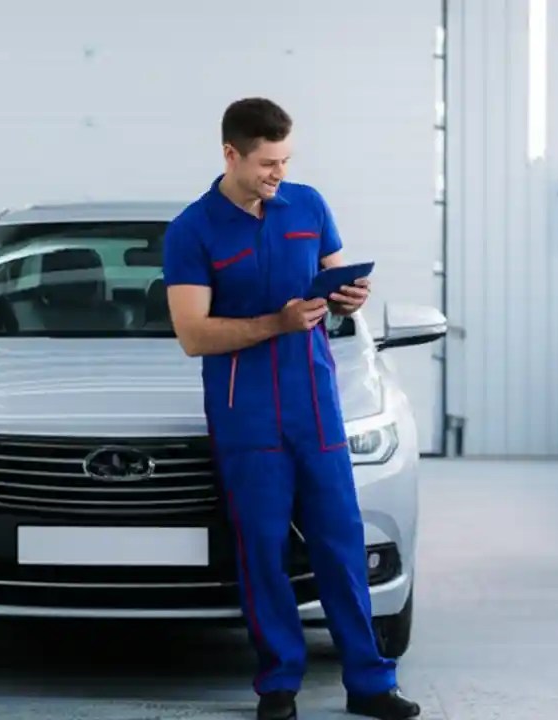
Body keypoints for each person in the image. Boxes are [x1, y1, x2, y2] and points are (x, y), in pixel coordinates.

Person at [162, 97, 422, 720]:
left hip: (315, 404)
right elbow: (194, 334)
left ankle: (370, 684)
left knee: (341, 541)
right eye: (267, 163)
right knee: (263, 548)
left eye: (285, 161)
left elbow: (335, 282)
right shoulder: (192, 230)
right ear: (231, 154)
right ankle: (279, 683)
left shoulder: (308, 205)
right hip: (245, 412)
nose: (279, 174)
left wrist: (350, 298)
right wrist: (274, 324)